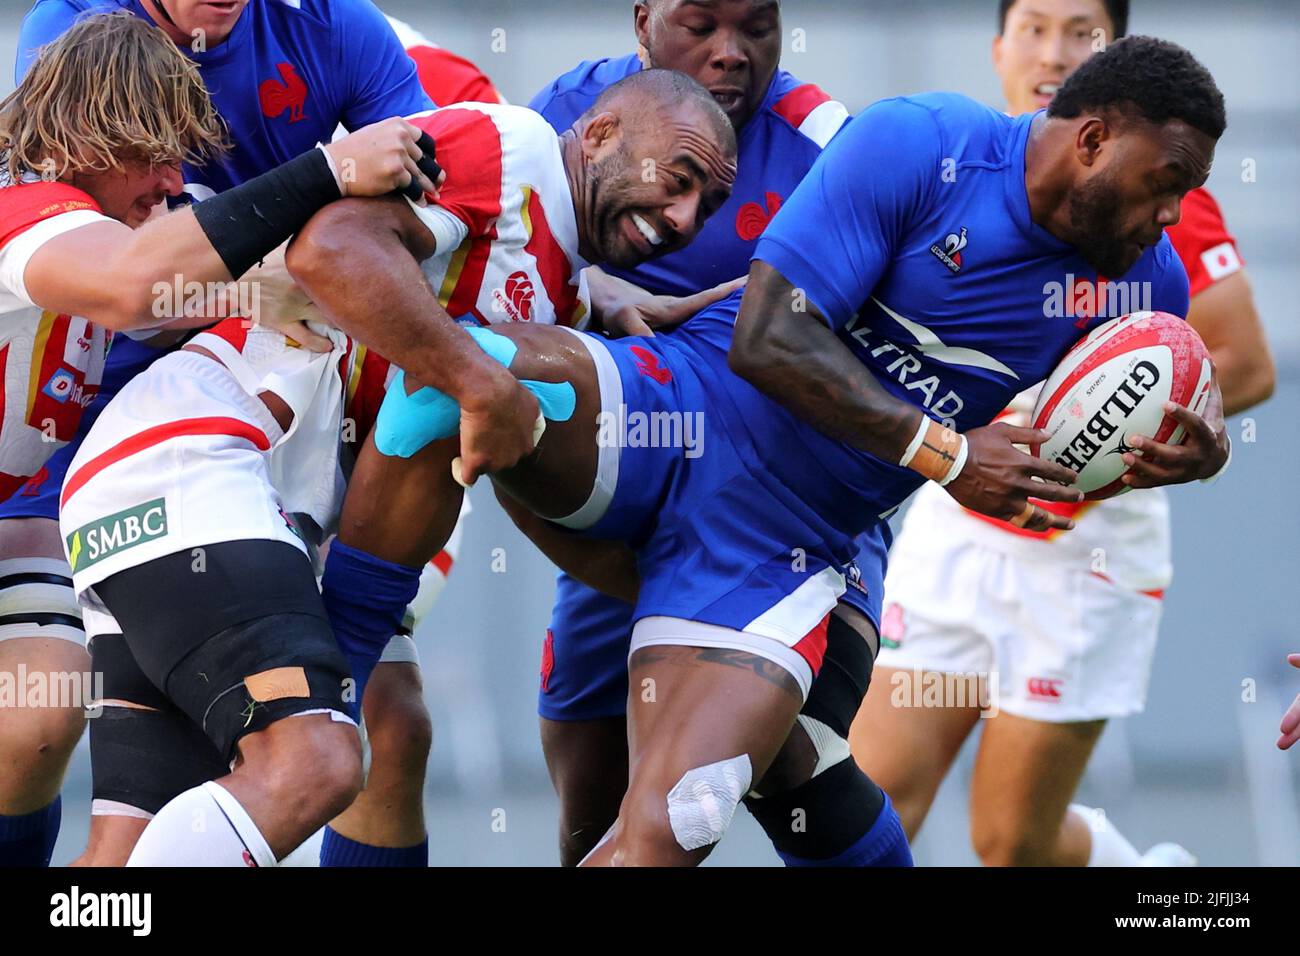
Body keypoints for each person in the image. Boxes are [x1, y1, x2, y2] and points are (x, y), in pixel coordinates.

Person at [295, 35, 1232, 865]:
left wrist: (1191, 457)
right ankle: (329, 678)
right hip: (680, 410)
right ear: (1097, 139)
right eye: (1170, 181)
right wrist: (946, 453)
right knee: (458, 379)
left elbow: (1080, 453)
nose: (1174, 211)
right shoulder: (923, 141)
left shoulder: (1143, 292)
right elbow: (768, 337)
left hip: (787, 547)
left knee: (685, 819)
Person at [57, 70, 739, 865]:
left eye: (708, 206)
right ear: (598, 135)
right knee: (317, 762)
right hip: (201, 461)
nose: (684, 218)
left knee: (367, 741)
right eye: (678, 180)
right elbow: (330, 250)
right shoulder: (511, 145)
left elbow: (465, 419)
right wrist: (481, 378)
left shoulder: (559, 288)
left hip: (230, 505)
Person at [0, 10, 440, 867]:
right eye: (154, 154)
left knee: (49, 731)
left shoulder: (103, 222)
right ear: (86, 135)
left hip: (25, 504)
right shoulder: (23, 205)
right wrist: (326, 168)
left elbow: (186, 295)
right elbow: (136, 288)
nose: (173, 182)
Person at [851, 0, 1275, 867]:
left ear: (1114, 53)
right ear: (998, 45)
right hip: (956, 525)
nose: (1053, 53)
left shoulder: (1159, 193)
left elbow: (1248, 362)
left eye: (1081, 31)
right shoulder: (953, 172)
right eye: (1034, 28)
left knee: (1010, 844)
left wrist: (1148, 431)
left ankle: (1163, 892)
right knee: (875, 793)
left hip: (1085, 555)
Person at [523, 0, 898, 868]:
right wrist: (589, 288)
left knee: (775, 768)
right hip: (634, 489)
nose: (731, 53)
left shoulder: (833, 150)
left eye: (757, 27)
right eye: (702, 24)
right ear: (644, 20)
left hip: (788, 514)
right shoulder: (567, 118)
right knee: (594, 793)